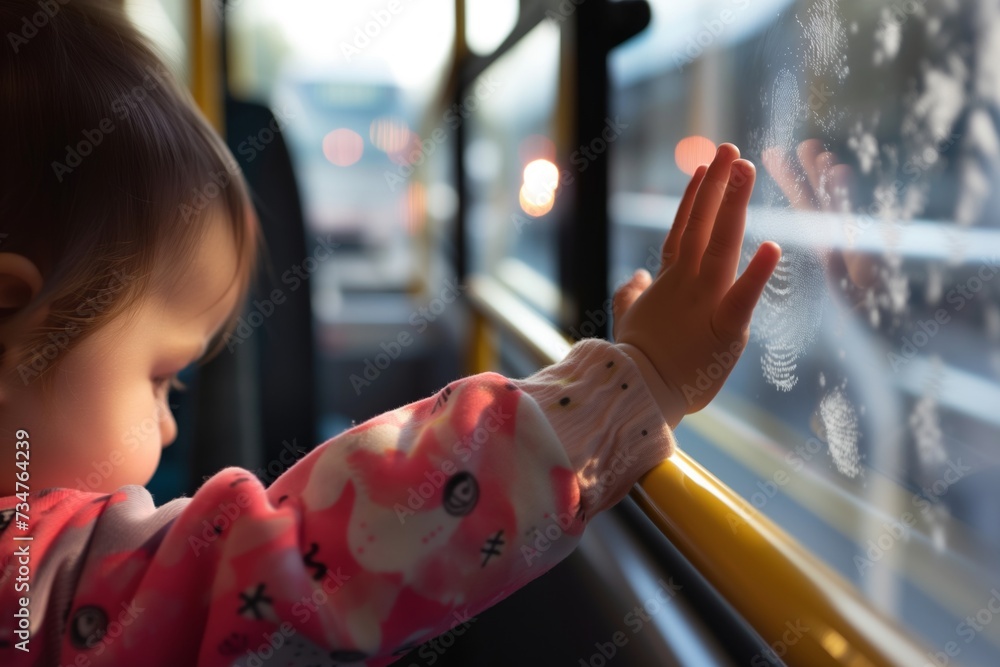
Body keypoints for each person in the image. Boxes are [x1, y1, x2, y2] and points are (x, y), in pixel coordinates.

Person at [0, 1, 780, 665]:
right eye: (160, 375)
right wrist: (628, 385)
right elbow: (314, 554)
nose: (171, 423)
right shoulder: (36, 578)